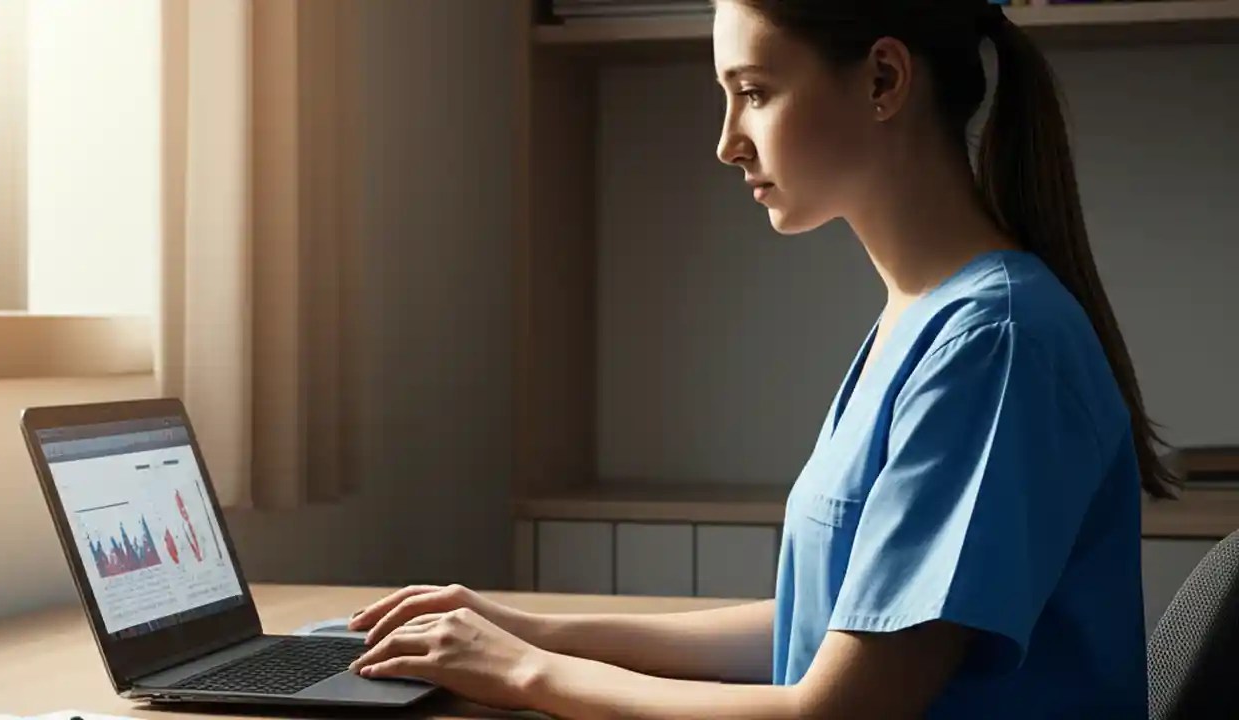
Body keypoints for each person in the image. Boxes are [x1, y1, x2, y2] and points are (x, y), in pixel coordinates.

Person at [343, 0, 1174, 717]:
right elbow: (823, 631)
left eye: (753, 93)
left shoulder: (993, 339)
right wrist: (530, 631)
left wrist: (527, 674)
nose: (728, 143)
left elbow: (841, 708)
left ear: (884, 80)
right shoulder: (924, 320)